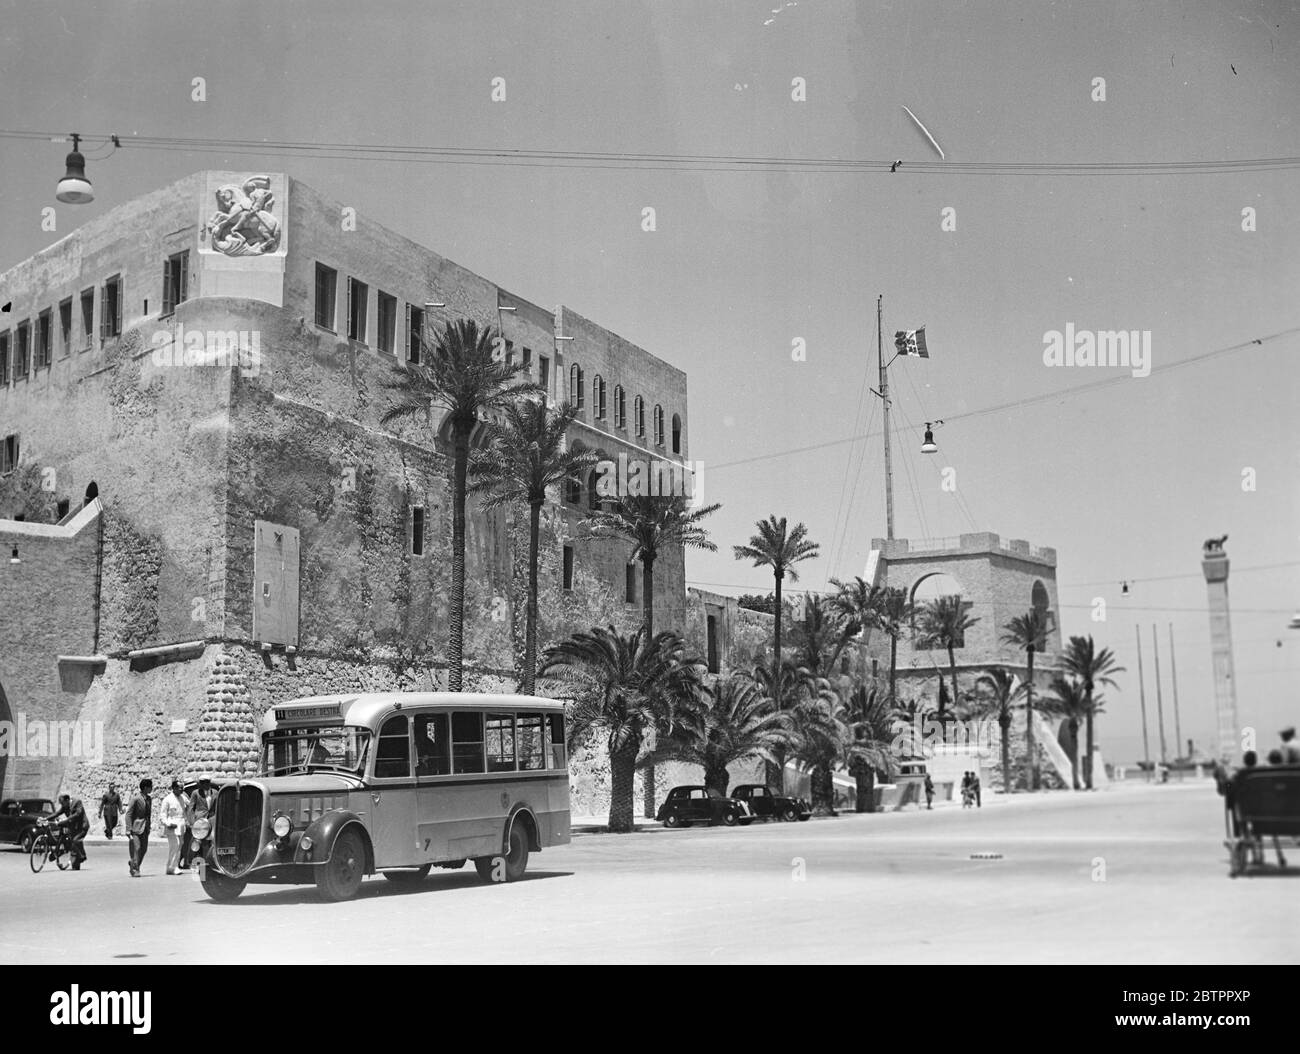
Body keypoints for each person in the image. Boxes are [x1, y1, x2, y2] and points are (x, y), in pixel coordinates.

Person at [49, 793, 89, 870]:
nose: (62, 805)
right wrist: (46, 819)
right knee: (72, 843)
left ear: (67, 800)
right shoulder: (65, 806)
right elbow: (57, 813)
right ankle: (75, 863)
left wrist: (66, 820)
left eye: (62, 803)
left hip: (82, 826)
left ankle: (82, 856)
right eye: (61, 804)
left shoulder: (77, 802)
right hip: (73, 827)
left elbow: (78, 814)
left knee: (76, 840)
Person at [183, 778, 216, 869]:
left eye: (207, 783)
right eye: (202, 783)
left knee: (210, 842)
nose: (205, 785)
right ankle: (191, 861)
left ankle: (209, 863)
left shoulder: (215, 793)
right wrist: (192, 822)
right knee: (197, 842)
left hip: (212, 820)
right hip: (200, 821)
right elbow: (191, 808)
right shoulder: (195, 793)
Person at [125, 779, 153, 877]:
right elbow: (128, 814)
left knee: (144, 849)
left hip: (145, 828)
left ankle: (134, 863)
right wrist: (128, 829)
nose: (152, 788)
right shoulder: (136, 799)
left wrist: (149, 826)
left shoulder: (149, 799)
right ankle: (135, 869)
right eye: (150, 787)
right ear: (145, 788)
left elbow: (148, 814)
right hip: (136, 827)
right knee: (137, 848)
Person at [161, 780, 187, 875]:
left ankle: (173, 866)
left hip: (181, 825)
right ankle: (172, 867)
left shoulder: (183, 798)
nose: (182, 789)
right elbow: (163, 815)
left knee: (179, 846)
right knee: (174, 846)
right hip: (172, 825)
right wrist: (168, 824)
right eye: (180, 788)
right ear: (174, 788)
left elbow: (189, 805)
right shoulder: (167, 799)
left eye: (182, 788)